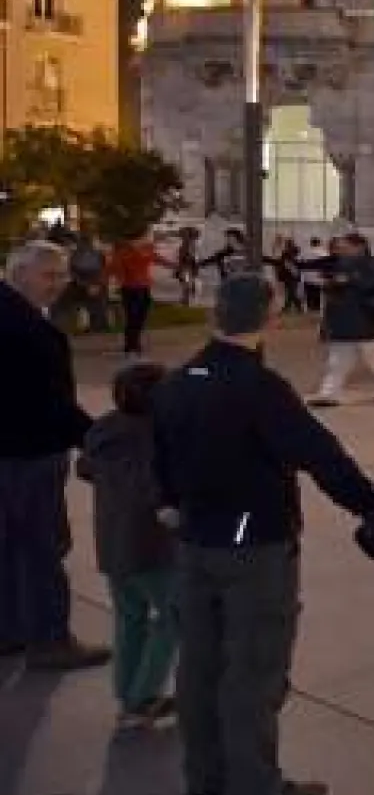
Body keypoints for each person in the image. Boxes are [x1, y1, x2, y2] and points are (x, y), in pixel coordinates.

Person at [153, 273, 374, 795]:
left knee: (198, 667)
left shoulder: (179, 380)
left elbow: (160, 458)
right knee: (252, 672)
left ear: (216, 315)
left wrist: (170, 503)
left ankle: (206, 779)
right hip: (254, 545)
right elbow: (320, 456)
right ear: (271, 318)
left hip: (194, 541)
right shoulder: (259, 388)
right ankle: (255, 783)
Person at [0, 242, 111, 669]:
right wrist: (99, 441)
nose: (59, 284)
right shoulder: (31, 332)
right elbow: (52, 404)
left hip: (12, 451)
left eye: (62, 275)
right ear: (19, 273)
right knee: (42, 548)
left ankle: (9, 631)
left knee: (10, 548)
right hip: (30, 454)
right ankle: (49, 640)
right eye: (49, 275)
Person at [78, 361, 179, 729]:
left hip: (112, 544)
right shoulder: (159, 437)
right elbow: (156, 489)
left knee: (130, 617)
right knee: (172, 616)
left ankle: (127, 692)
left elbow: (86, 469)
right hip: (152, 546)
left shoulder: (103, 430)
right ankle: (143, 695)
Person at [310, 234, 374, 408]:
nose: (341, 250)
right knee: (339, 360)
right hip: (345, 320)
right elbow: (333, 286)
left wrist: (350, 280)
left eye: (345, 247)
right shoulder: (340, 264)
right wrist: (331, 284)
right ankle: (328, 394)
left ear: (359, 246)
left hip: (365, 319)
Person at [110, 231, 164, 358]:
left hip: (144, 288)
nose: (143, 241)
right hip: (130, 289)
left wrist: (176, 266)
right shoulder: (123, 253)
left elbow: (158, 259)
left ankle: (135, 342)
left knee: (141, 316)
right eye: (141, 239)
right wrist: (115, 281)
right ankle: (130, 345)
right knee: (132, 317)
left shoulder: (146, 250)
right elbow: (113, 268)